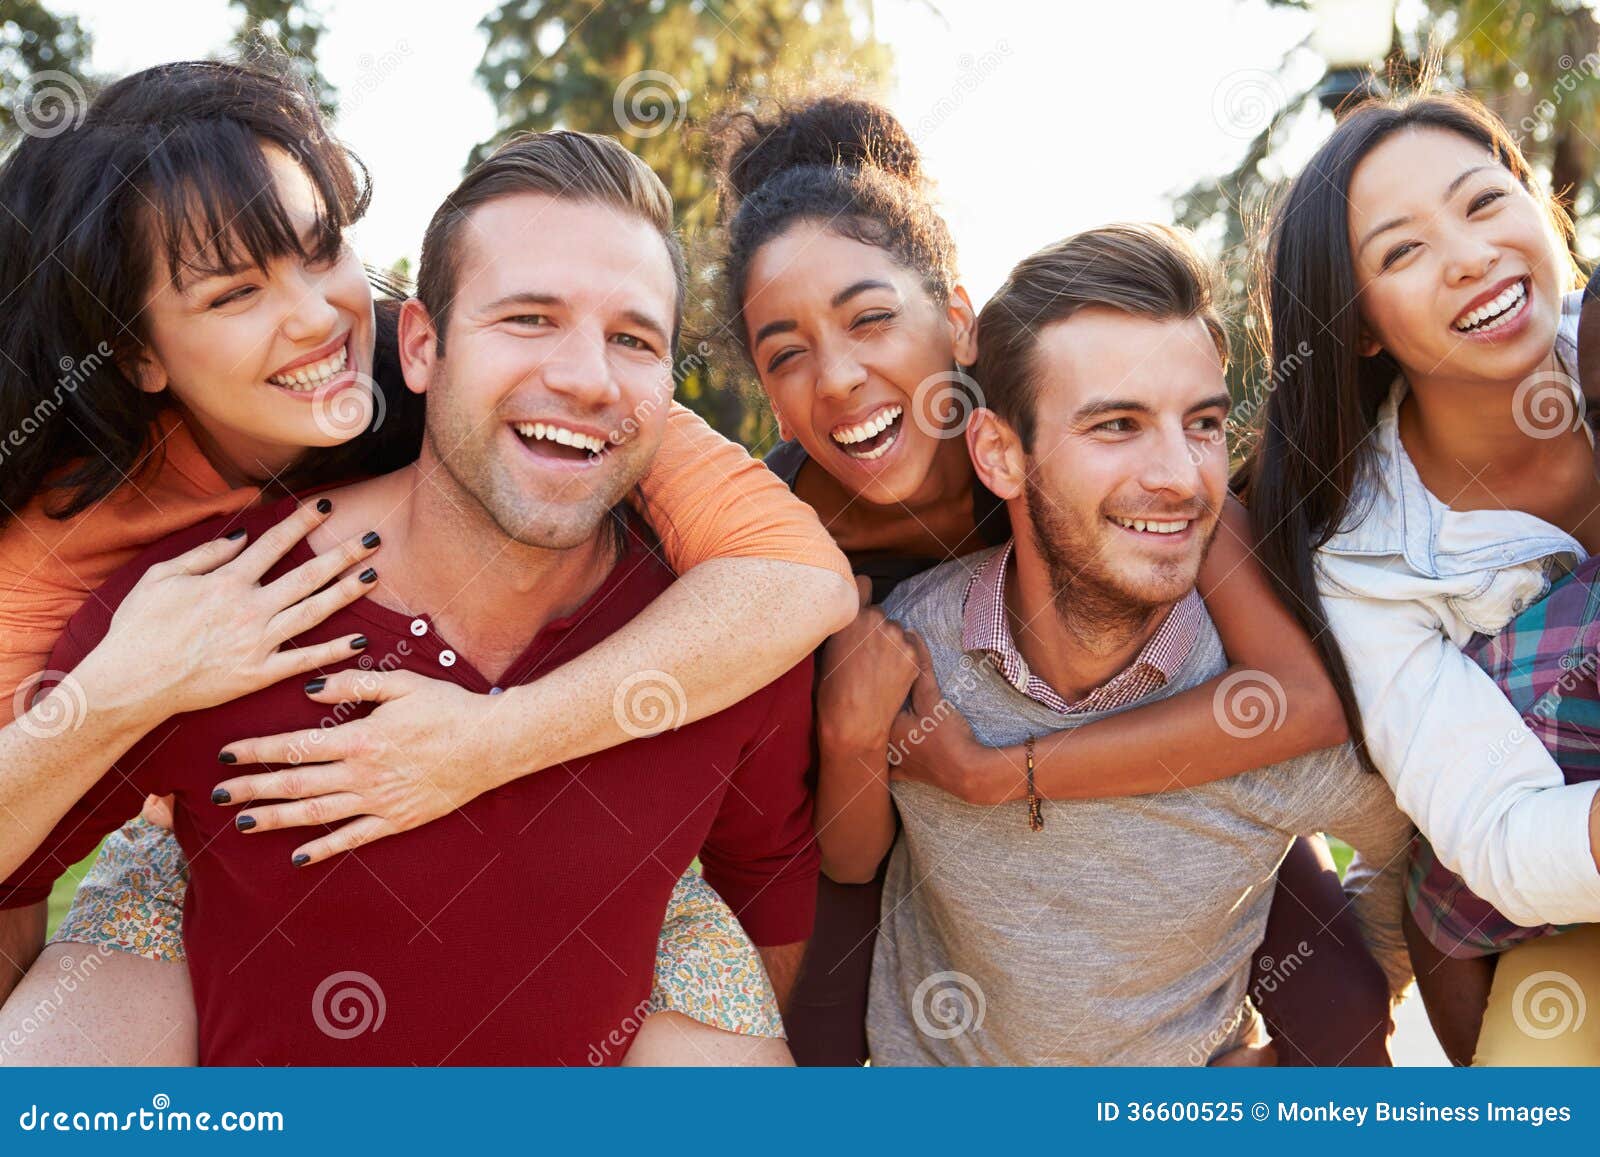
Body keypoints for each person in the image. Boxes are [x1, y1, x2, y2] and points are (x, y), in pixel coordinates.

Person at [0, 58, 854, 1063]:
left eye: (321, 253)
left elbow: (797, 576)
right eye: (235, 293)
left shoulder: (526, 382)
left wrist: (482, 744)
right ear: (138, 349)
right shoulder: (70, 544)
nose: (319, 317)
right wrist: (117, 693)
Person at [710, 95, 1392, 1065]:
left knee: (1343, 999)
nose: (839, 376)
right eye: (787, 354)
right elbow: (844, 837)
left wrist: (1006, 774)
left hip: (1144, 781)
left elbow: (1298, 704)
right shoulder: (780, 541)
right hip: (899, 819)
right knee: (813, 1040)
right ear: (767, 391)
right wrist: (852, 727)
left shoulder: (1075, 437)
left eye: (871, 318)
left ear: (960, 324)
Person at [1244, 90, 1600, 1065]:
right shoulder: (1367, 558)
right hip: (1554, 907)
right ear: (1360, 326)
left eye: (1484, 202)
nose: (1469, 255)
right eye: (1402, 251)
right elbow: (1499, 833)